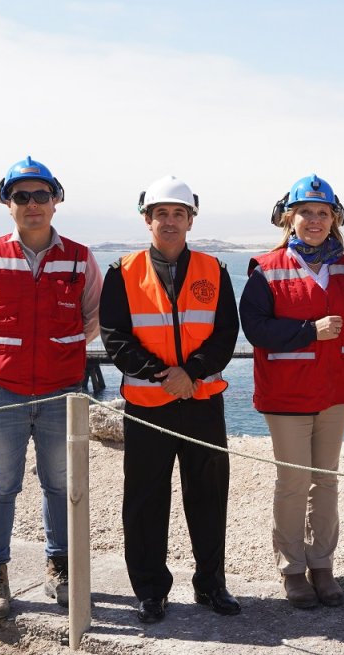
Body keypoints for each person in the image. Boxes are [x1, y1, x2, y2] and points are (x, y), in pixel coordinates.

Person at [0, 156, 102, 622]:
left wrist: (61, 351)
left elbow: (94, 316)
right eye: (22, 197)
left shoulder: (79, 258)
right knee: (2, 485)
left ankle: (58, 567)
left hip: (62, 393)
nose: (33, 205)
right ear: (8, 203)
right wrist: (1, 360)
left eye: (41, 195)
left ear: (56, 201)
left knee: (60, 485)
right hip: (2, 393)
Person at [239, 174, 344, 609]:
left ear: (334, 219)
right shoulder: (266, 269)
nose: (314, 220)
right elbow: (256, 329)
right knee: (293, 482)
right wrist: (310, 331)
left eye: (323, 213)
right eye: (306, 212)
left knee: (326, 482)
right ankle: (291, 569)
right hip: (286, 396)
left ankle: (322, 564)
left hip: (337, 393)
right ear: (290, 218)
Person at [99, 175, 241, 624]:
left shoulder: (214, 270)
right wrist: (164, 376)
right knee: (144, 500)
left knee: (209, 496)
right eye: (162, 213)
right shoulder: (122, 272)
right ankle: (150, 591)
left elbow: (225, 334)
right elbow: (115, 338)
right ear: (148, 219)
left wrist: (192, 373)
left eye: (179, 213)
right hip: (147, 406)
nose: (170, 221)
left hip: (202, 404)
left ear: (190, 220)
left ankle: (211, 584)